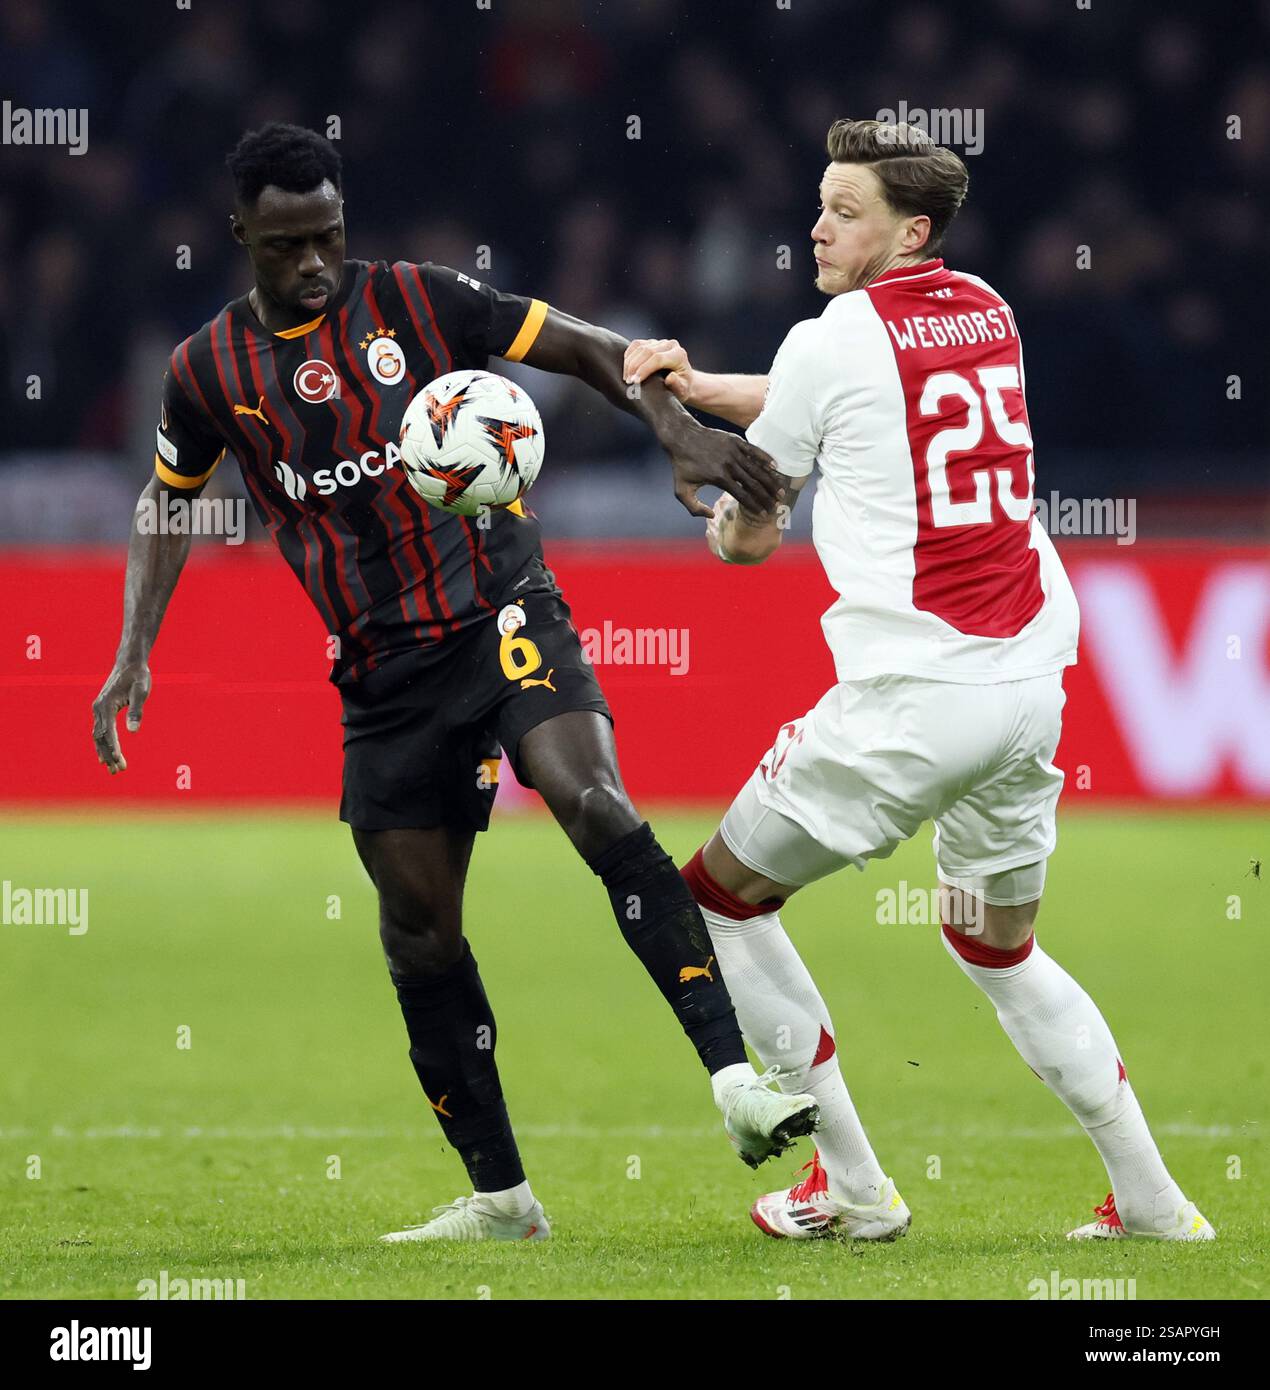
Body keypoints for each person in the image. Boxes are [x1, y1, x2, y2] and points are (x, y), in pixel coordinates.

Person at [91, 122, 816, 1245]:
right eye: (287, 246)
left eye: (328, 235)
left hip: (501, 607)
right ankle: (502, 1200)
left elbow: (585, 347)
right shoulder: (207, 370)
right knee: (419, 935)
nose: (315, 263)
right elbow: (165, 496)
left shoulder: (419, 301)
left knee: (594, 802)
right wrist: (136, 645)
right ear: (241, 235)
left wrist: (672, 427)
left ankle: (737, 1081)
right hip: (382, 671)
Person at [623, 117, 1214, 1243]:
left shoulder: (830, 339)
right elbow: (843, 403)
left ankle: (851, 1189)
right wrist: (704, 388)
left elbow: (749, 542)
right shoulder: (986, 307)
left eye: (845, 212)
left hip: (911, 699)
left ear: (909, 229)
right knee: (996, 945)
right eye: (818, 203)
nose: (817, 227)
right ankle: (1153, 1200)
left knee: (720, 900)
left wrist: (710, 505)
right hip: (1030, 678)